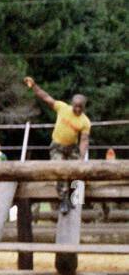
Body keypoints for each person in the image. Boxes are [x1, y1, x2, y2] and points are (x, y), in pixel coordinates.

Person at [25, 75, 91, 214]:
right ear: (72, 104)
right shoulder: (62, 107)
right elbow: (46, 97)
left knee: (75, 172)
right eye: (76, 106)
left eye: (80, 107)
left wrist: (81, 158)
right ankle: (63, 200)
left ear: (84, 107)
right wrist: (34, 85)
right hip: (57, 146)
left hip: (72, 147)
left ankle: (74, 197)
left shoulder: (85, 122)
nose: (78, 109)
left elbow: (84, 141)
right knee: (60, 171)